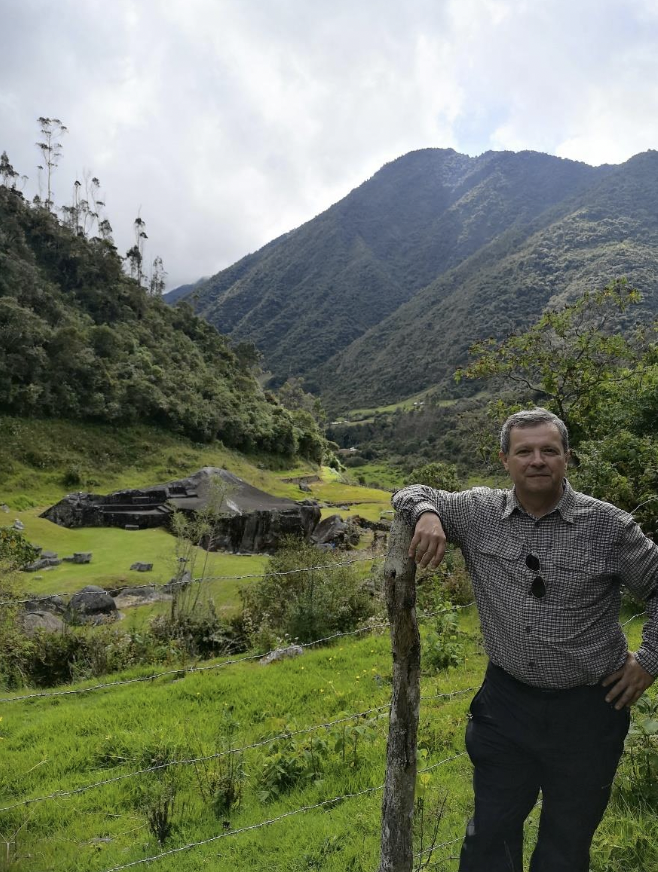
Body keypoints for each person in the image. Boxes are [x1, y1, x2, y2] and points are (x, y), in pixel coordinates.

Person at [392, 408, 658, 872]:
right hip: (506, 707)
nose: (537, 460)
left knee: (567, 841)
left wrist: (651, 659)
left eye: (548, 450)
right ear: (505, 460)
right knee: (488, 837)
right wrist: (428, 513)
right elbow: (411, 491)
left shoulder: (609, 527)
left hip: (589, 712)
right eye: (525, 451)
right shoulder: (477, 513)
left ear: (567, 458)